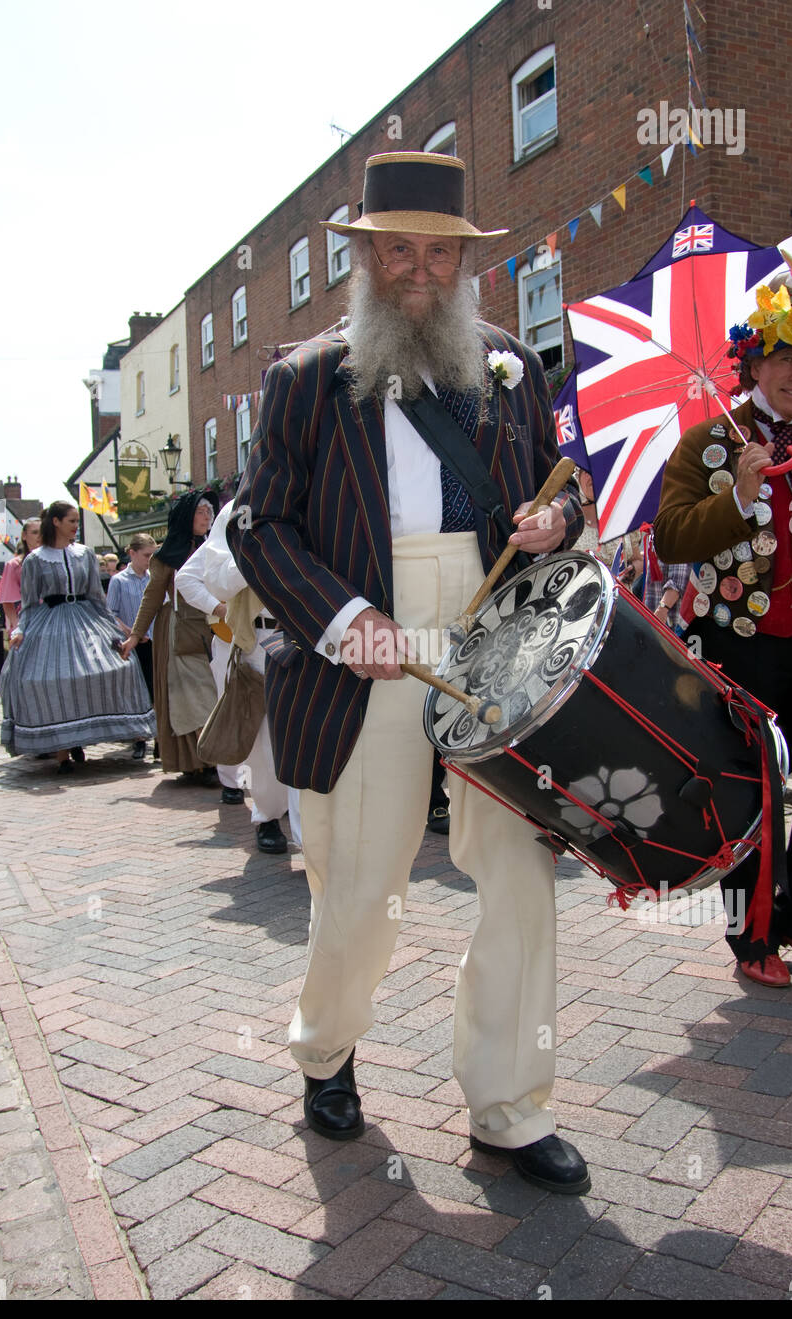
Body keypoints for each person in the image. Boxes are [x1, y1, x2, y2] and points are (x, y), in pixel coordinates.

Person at [228, 151, 589, 1193]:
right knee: (358, 884)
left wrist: (552, 518)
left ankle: (510, 1103)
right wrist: (344, 620)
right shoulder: (305, 379)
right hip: (367, 640)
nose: (420, 269)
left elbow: (570, 496)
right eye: (400, 250)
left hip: (492, 625)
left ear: (464, 262)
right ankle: (326, 1051)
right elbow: (259, 524)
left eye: (440, 251)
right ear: (368, 260)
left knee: (520, 870)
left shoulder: (513, 364)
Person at [654, 261, 792, 987]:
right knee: (751, 790)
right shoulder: (710, 443)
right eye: (786, 357)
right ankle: (752, 936)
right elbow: (669, 537)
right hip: (739, 644)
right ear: (756, 359)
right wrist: (742, 495)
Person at [175, 499, 301, 846]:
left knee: (304, 731)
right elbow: (211, 579)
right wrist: (262, 553)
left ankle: (309, 835)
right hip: (257, 638)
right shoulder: (238, 510)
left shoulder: (318, 493)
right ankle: (267, 816)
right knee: (262, 737)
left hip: (310, 633)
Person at [0, 502, 155, 770]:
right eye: (71, 520)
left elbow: (97, 596)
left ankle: (99, 736)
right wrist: (21, 629)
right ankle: (62, 753)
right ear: (56, 522)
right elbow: (28, 603)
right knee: (54, 679)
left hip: (87, 619)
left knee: (121, 667)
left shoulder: (84, 554)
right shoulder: (35, 559)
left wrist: (118, 628)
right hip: (50, 622)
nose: (76, 525)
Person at [120, 489, 219, 781]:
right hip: (180, 631)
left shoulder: (215, 548)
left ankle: (206, 762)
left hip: (214, 629)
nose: (207, 517)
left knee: (211, 695)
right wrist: (135, 635)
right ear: (187, 516)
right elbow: (151, 596)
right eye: (201, 511)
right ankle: (205, 762)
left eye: (209, 512)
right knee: (194, 697)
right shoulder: (168, 555)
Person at [107, 533, 158, 760]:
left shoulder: (153, 578)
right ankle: (139, 739)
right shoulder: (119, 580)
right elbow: (111, 613)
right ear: (132, 553)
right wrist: (131, 632)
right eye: (146, 555)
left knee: (156, 690)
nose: (150, 559)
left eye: (152, 555)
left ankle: (159, 739)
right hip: (132, 644)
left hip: (154, 641)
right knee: (137, 690)